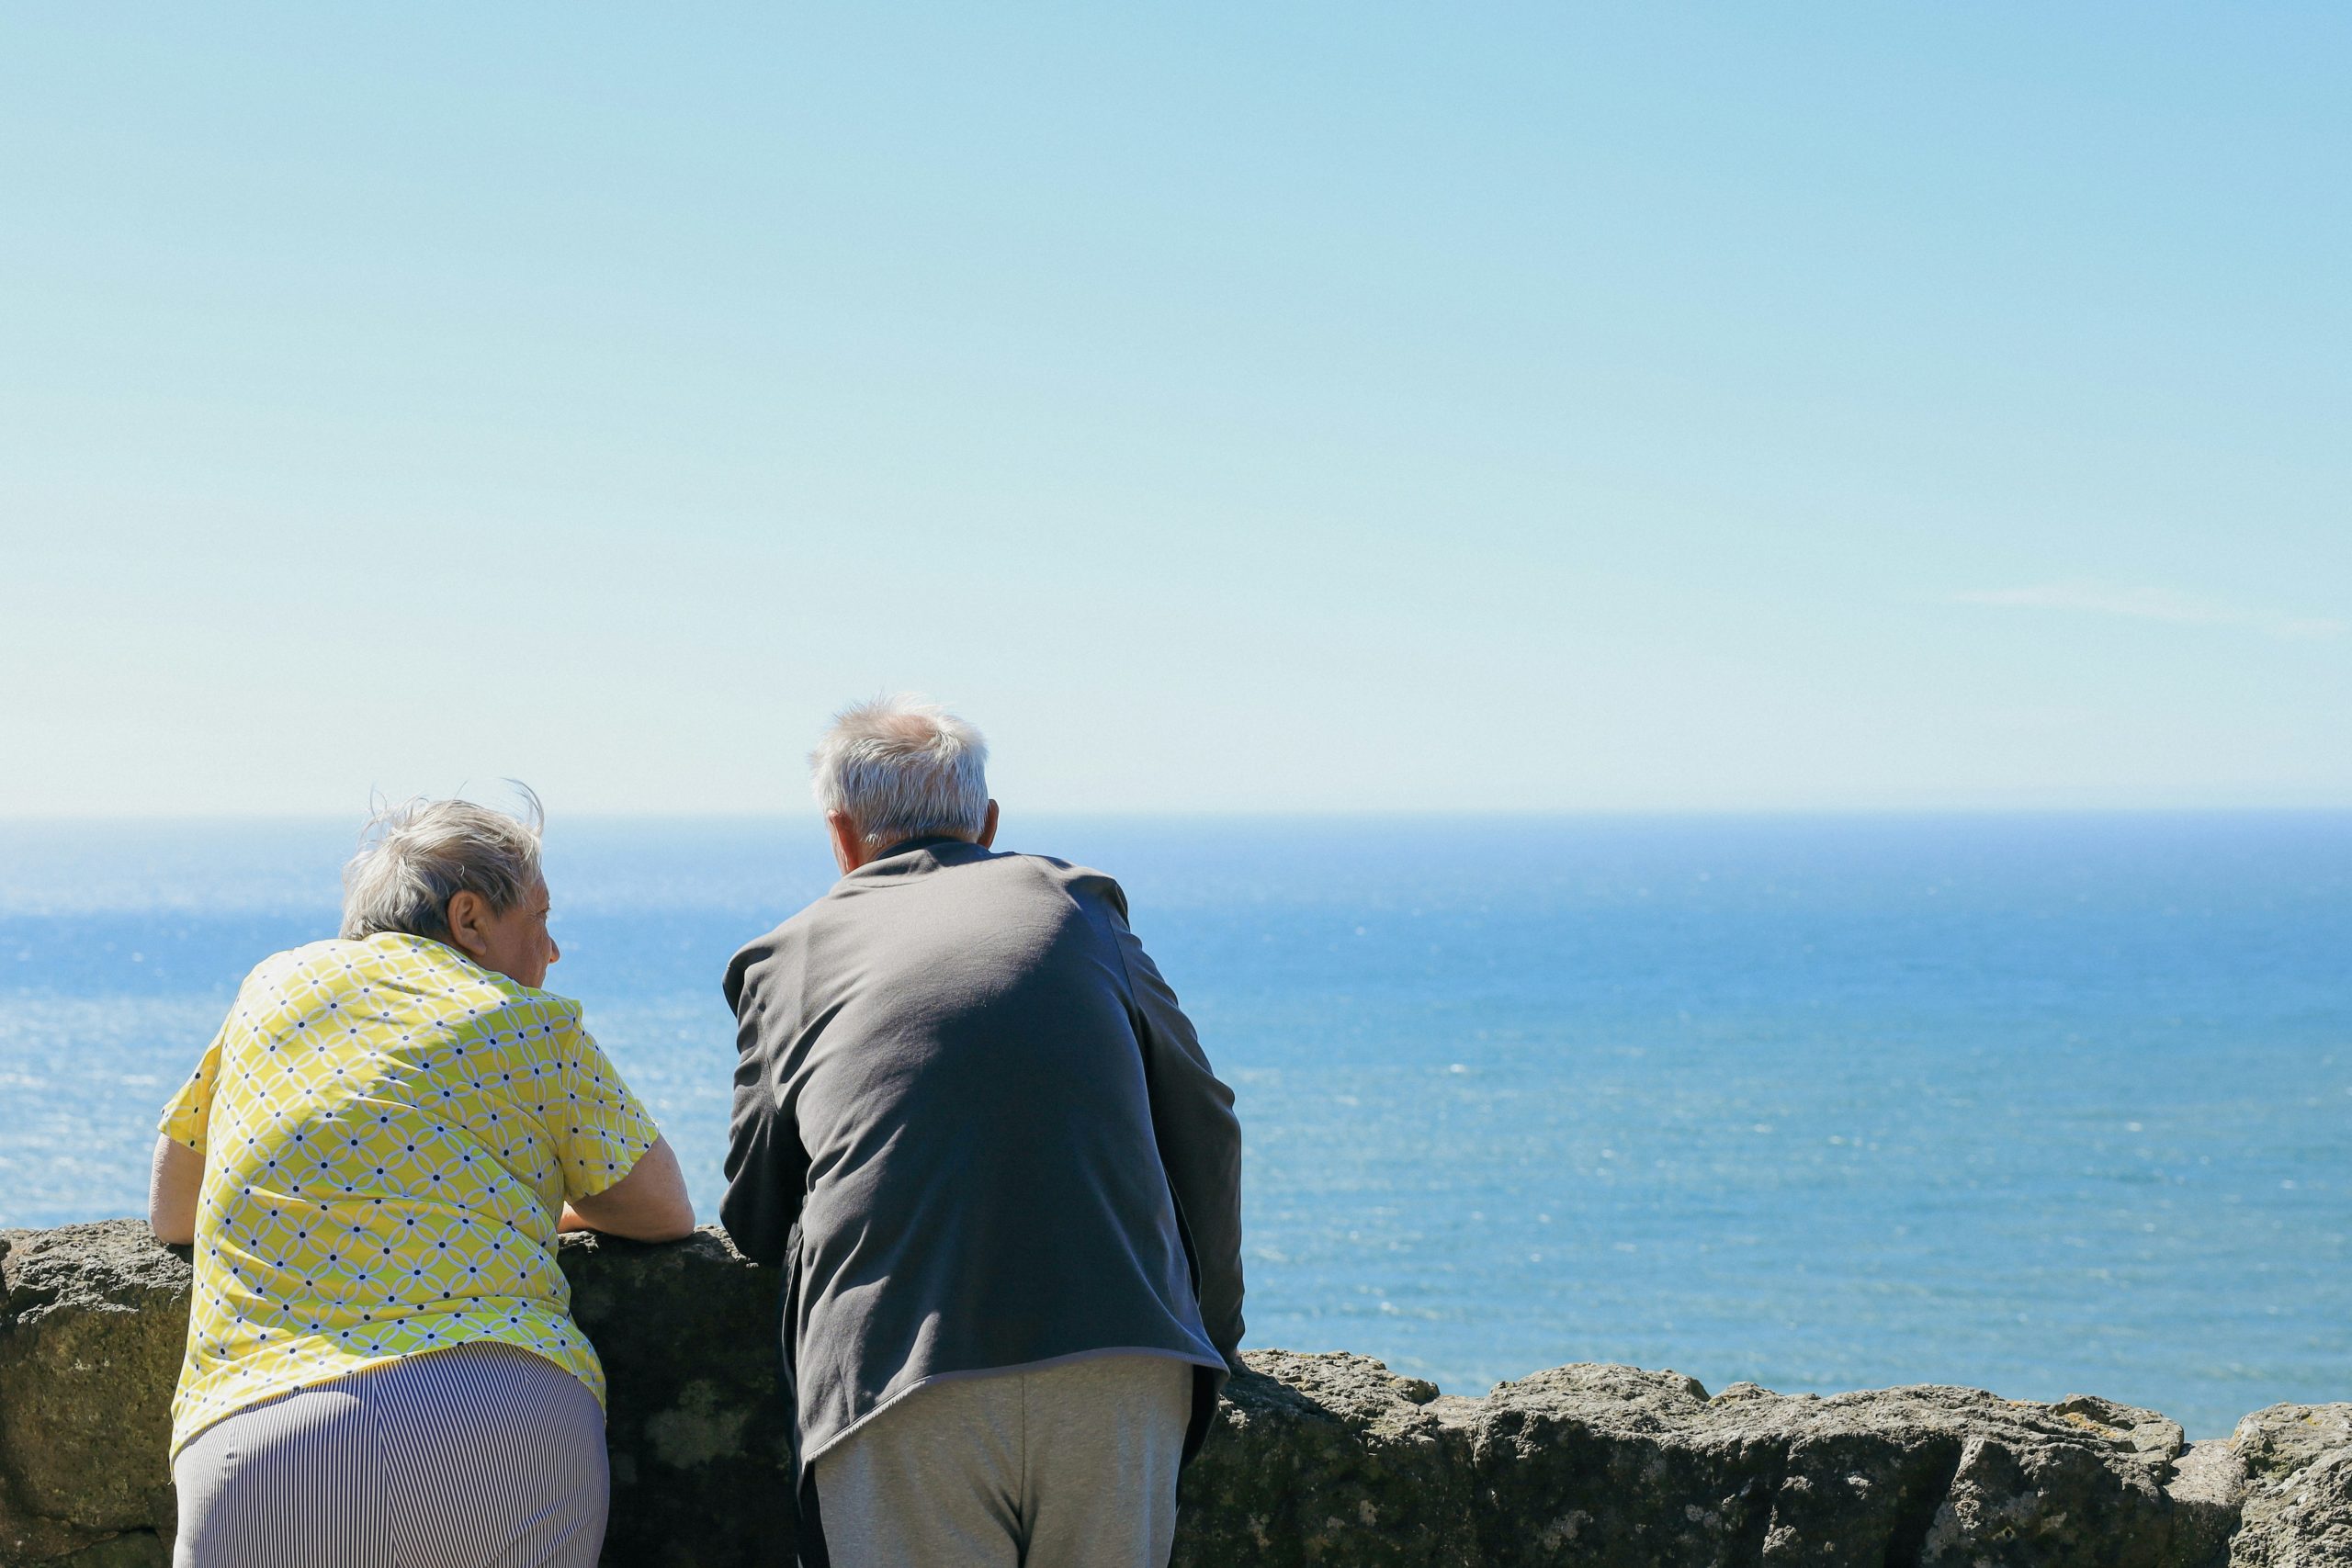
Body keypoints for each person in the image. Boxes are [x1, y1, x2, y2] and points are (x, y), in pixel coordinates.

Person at [722, 696, 1246, 1568]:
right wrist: (1214, 1335)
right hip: (1121, 1361)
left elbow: (755, 1217)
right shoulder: (1077, 905)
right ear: (989, 824)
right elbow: (1205, 1119)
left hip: (899, 1375)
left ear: (841, 836)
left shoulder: (787, 957)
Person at [149, 793, 695, 1568]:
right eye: (539, 918)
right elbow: (662, 1210)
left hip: (266, 1429)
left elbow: (174, 1211)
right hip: (504, 1418)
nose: (553, 949)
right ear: (469, 919)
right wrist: (528, 1212)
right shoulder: (526, 1020)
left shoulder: (274, 987)